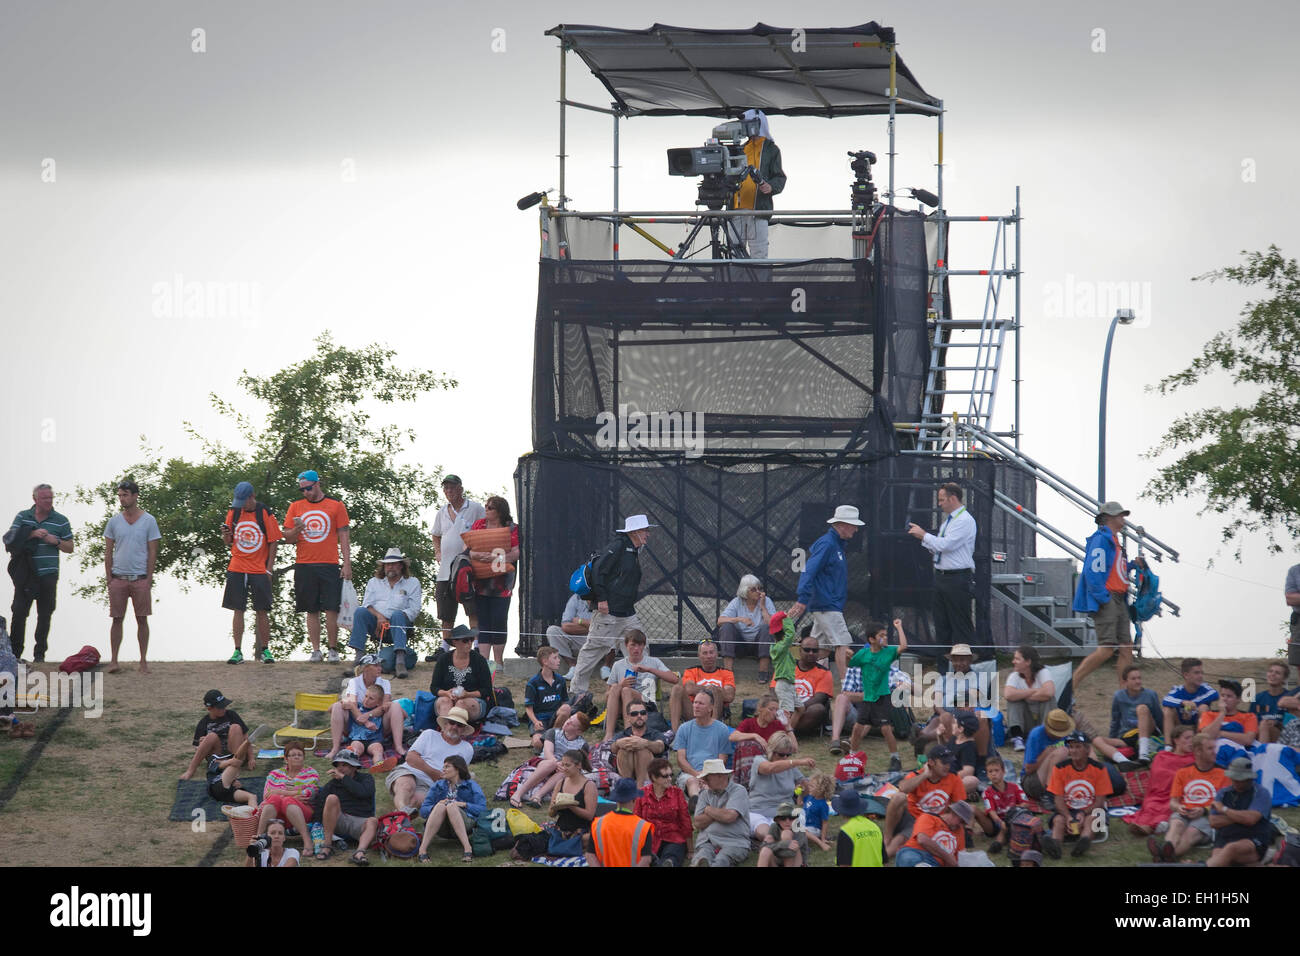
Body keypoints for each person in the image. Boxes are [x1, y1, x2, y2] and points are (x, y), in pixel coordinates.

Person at [572, 514, 655, 695]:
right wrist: (602, 599)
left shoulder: (633, 551)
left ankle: (643, 693)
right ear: (634, 532)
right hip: (609, 611)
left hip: (627, 612)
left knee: (639, 646)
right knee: (594, 650)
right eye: (645, 530)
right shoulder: (618, 546)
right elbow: (599, 571)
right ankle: (577, 692)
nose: (648, 534)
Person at [281, 469, 351, 664]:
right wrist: (296, 529)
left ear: (317, 484)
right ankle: (316, 650)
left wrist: (347, 563)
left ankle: (333, 649)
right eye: (302, 490)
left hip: (329, 563)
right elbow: (287, 537)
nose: (306, 493)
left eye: (309, 488)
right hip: (304, 564)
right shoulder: (295, 506)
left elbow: (344, 536)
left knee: (331, 608)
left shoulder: (336, 505)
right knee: (310, 609)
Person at [790, 504, 863, 683]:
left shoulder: (835, 545)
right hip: (827, 604)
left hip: (828, 604)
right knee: (842, 643)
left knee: (818, 649)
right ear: (842, 525)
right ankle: (847, 686)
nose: (856, 529)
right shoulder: (827, 544)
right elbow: (809, 570)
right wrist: (802, 598)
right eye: (853, 525)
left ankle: (801, 679)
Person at [5, 483, 74, 662]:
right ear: (35, 499)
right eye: (44, 498)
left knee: (45, 614)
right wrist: (31, 534)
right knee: (19, 613)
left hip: (48, 573)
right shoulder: (23, 516)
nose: (48, 501)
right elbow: (10, 538)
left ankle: (39, 655)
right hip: (25, 573)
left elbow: (70, 547)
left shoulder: (61, 520)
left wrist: (55, 541)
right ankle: (15, 654)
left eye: (50, 498)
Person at [1070, 500, 1134, 689]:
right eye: (1120, 515)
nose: (1123, 518)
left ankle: (1124, 693)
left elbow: (1114, 569)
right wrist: (1103, 597)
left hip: (1119, 598)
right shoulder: (1101, 539)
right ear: (1109, 517)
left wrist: (1133, 565)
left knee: (1126, 647)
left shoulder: (1114, 541)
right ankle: (1070, 685)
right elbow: (1092, 571)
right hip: (1108, 598)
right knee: (1106, 648)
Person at [907, 483, 977, 650]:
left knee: (960, 623)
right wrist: (928, 542)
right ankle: (944, 663)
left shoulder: (964, 520)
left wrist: (924, 535)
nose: (939, 504)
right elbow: (940, 547)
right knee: (941, 624)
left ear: (952, 499)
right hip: (941, 576)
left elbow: (947, 545)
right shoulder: (948, 522)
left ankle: (963, 663)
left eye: (941, 500)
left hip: (957, 578)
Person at [103, 479, 160, 674]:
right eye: (119, 495)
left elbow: (153, 551)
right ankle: (114, 661)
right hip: (118, 578)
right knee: (116, 619)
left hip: (140, 578)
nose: (122, 499)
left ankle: (143, 661)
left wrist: (149, 578)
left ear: (135, 496)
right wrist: (109, 578)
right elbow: (108, 551)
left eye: (125, 495)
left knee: (142, 619)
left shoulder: (149, 521)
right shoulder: (114, 522)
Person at [221, 481, 281, 664]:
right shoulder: (234, 512)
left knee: (262, 610)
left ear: (252, 497)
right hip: (237, 567)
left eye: (243, 501)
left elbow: (274, 541)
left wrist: (269, 569)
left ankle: (265, 650)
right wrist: (225, 534)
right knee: (237, 609)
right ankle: (237, 651)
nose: (241, 505)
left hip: (258, 569)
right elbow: (228, 541)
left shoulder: (264, 512)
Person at [1147, 733, 1228, 863]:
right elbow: (1173, 802)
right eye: (1210, 748)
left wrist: (1204, 810)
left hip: (1208, 816)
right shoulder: (1183, 772)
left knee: (1191, 832)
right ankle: (1166, 854)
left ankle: (1164, 857)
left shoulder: (1224, 773)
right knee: (1176, 824)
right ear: (1198, 751)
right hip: (1185, 812)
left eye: (1214, 748)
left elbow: (1225, 804)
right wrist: (1179, 807)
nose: (1214, 752)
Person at [385, 706, 475, 816]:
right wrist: (434, 773)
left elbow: (457, 776)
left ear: (464, 730)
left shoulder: (467, 749)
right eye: (452, 722)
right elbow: (411, 758)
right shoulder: (429, 734)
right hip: (410, 772)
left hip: (431, 785)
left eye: (459, 725)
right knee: (406, 786)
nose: (454, 727)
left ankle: (399, 817)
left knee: (414, 802)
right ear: (445, 724)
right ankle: (402, 812)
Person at [844, 618, 907, 772]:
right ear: (871, 639)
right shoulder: (863, 654)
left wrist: (899, 627)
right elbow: (849, 664)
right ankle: (852, 757)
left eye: (885, 635)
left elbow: (904, 646)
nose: (885, 638)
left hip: (882, 697)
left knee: (885, 729)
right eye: (881, 635)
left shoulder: (888, 652)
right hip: (867, 698)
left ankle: (895, 758)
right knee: (858, 727)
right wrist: (847, 656)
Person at [883, 745, 966, 857]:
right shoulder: (918, 774)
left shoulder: (953, 778)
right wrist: (925, 775)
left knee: (898, 841)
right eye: (944, 763)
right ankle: (887, 837)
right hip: (909, 815)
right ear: (931, 762)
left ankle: (883, 857)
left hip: (926, 822)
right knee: (899, 797)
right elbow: (903, 788)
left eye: (949, 763)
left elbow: (960, 806)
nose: (947, 766)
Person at [349, 549, 422, 677]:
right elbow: (367, 604)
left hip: (400, 625)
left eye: (393, 564)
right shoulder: (373, 582)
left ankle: (400, 662)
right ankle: (358, 658)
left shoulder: (412, 582)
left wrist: (390, 620)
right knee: (360, 611)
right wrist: (380, 617)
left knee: (397, 615)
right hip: (377, 625)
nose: (390, 567)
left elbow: (414, 609)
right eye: (387, 564)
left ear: (401, 565)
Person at [465, 495, 520, 667]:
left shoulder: (511, 528)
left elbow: (516, 552)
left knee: (499, 619)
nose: (486, 510)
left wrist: (497, 558)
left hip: (502, 582)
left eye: (490, 507)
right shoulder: (479, 525)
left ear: (500, 511)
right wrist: (478, 555)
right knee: (483, 620)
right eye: (486, 506)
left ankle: (498, 661)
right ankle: (483, 661)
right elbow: (467, 549)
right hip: (480, 581)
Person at [911, 643, 991, 759]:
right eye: (955, 660)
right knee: (938, 719)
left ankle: (924, 737)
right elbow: (937, 703)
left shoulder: (978, 678)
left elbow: (969, 699)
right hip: (944, 714)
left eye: (962, 660)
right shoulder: (943, 679)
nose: (958, 663)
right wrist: (943, 712)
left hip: (966, 714)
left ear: (970, 660)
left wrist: (949, 709)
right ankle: (922, 736)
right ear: (951, 661)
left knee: (947, 718)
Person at [430, 474, 485, 644]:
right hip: (446, 570)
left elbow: (485, 529)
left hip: (468, 568)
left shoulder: (475, 508)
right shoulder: (441, 512)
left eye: (452, 487)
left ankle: (476, 647)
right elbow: (435, 534)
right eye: (446, 488)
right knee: (446, 614)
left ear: (460, 488)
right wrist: (438, 552)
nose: (449, 491)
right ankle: (445, 649)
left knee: (473, 611)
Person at [726, 108, 786, 259]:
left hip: (758, 210)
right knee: (734, 253)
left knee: (759, 252)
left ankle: (758, 276)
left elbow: (779, 177)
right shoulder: (740, 148)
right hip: (736, 210)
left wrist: (770, 186)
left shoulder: (771, 149)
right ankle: (735, 276)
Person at [1041, 731, 1112, 859]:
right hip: (1068, 810)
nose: (1074, 751)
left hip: (1092, 810)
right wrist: (1068, 816)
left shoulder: (1099, 769)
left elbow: (1100, 802)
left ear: (1087, 749)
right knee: (1059, 820)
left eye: (1078, 747)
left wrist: (1083, 813)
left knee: (1092, 819)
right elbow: (1058, 800)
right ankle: (1055, 846)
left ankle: (1083, 843)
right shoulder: (1060, 768)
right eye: (1071, 747)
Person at [325, 654, 406, 760]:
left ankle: (398, 747)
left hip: (378, 726)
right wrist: (366, 722)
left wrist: (367, 715)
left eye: (380, 665)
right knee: (337, 706)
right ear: (365, 668)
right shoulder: (354, 682)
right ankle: (335, 748)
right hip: (356, 724)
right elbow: (352, 705)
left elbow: (384, 707)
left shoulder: (385, 683)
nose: (380, 668)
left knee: (394, 706)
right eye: (376, 665)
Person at [603, 628, 678, 740]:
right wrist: (621, 685)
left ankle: (629, 733)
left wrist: (649, 670)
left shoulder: (653, 661)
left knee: (626, 691)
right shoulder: (618, 665)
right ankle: (609, 734)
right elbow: (607, 696)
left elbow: (674, 679)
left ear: (644, 646)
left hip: (646, 703)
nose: (636, 649)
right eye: (633, 645)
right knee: (616, 687)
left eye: (640, 645)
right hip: (621, 705)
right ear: (626, 645)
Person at [1127, 724, 1197, 836]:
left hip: (1177, 793)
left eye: (1193, 738)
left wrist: (1174, 777)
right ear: (1176, 740)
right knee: (1150, 806)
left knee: (1168, 808)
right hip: (1159, 791)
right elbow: (1156, 774)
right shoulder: (1162, 756)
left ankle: (1150, 828)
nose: (1191, 742)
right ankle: (1145, 825)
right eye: (1187, 738)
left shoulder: (1194, 758)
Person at [747, 730, 815, 843]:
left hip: (784, 814)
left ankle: (779, 845)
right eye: (781, 754)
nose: (785, 758)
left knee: (785, 834)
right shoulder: (759, 761)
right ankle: (781, 844)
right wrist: (797, 762)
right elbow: (770, 768)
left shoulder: (790, 766)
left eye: (788, 755)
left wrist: (803, 790)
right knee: (765, 832)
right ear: (771, 751)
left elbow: (805, 786)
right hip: (758, 812)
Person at [312, 750, 379, 864]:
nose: (340, 768)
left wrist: (344, 778)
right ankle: (327, 846)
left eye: (344, 765)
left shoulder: (366, 778)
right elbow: (320, 804)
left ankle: (359, 852)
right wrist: (316, 825)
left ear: (354, 767)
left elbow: (363, 792)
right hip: (339, 820)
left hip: (361, 821)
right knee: (331, 798)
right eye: (338, 765)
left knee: (373, 821)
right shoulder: (333, 783)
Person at [417, 754, 486, 864]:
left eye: (447, 766)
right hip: (441, 827)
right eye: (443, 767)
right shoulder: (437, 785)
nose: (443, 769)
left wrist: (464, 804)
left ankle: (467, 848)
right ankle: (422, 849)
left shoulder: (471, 785)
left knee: (451, 806)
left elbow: (482, 809)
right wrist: (435, 806)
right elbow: (423, 811)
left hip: (465, 825)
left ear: (457, 769)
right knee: (440, 806)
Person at [513, 712, 590, 808]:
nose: (567, 722)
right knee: (551, 763)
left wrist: (563, 766)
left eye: (572, 724)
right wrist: (557, 763)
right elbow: (548, 752)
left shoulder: (582, 745)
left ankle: (537, 796)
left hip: (562, 769)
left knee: (565, 771)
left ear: (578, 731)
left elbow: (576, 763)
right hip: (544, 762)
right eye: (569, 718)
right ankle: (518, 794)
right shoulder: (553, 732)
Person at [1208, 756, 1273, 867]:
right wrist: (1241, 817)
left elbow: (1250, 819)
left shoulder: (1261, 793)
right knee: (1221, 858)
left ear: (1249, 779)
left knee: (1231, 849)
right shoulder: (1223, 793)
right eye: (1234, 779)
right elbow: (1213, 822)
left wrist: (1224, 809)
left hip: (1253, 838)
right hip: (1225, 837)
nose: (1236, 782)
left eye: (1239, 780)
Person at [257, 739, 320, 852]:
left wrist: (281, 792)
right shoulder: (274, 774)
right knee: (275, 799)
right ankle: (259, 838)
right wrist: (294, 795)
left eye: (300, 755)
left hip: (302, 813)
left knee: (286, 801)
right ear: (286, 759)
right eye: (293, 755)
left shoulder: (311, 773)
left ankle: (307, 840)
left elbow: (308, 794)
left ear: (303, 758)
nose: (297, 757)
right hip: (277, 814)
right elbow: (267, 796)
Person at [1093, 664, 1160, 768]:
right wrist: (1112, 738)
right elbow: (1115, 720)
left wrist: (1166, 738)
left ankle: (1143, 755)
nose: (1138, 681)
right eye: (1133, 679)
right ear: (1125, 682)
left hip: (1148, 731)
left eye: (1139, 678)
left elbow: (1159, 717)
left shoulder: (1150, 694)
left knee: (1142, 708)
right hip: (1128, 736)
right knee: (1096, 739)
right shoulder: (1119, 696)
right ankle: (1124, 761)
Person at [673, 689, 734, 799]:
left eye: (701, 703)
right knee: (692, 782)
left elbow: (722, 760)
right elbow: (681, 760)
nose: (696, 706)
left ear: (710, 708)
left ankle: (703, 803)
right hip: (690, 774)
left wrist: (707, 775)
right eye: (695, 702)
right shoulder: (684, 728)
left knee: (709, 786)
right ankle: (696, 802)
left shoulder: (722, 729)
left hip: (715, 773)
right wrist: (697, 774)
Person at [429, 625, 496, 722]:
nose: (469, 643)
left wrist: (467, 694)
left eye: (471, 639)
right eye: (465, 640)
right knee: (445, 701)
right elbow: (434, 687)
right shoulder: (443, 659)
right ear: (454, 642)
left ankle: (453, 728)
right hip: (447, 698)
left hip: (473, 700)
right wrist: (446, 693)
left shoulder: (479, 660)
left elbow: (487, 690)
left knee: (461, 704)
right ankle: (447, 728)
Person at [691, 759, 751, 867]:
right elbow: (698, 823)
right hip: (708, 840)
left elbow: (729, 817)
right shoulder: (704, 794)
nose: (704, 781)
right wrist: (721, 811)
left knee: (721, 861)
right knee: (702, 857)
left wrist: (708, 809)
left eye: (707, 778)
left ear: (720, 776)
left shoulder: (739, 791)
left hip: (734, 842)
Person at [182, 689, 252, 780]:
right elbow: (198, 749)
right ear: (209, 708)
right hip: (218, 759)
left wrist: (251, 758)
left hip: (236, 755)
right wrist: (202, 743)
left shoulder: (231, 715)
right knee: (211, 736)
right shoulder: (203, 723)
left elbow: (246, 737)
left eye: (224, 706)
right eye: (220, 707)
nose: (223, 709)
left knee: (235, 727)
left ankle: (234, 768)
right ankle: (191, 770)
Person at [716, 574, 776, 679]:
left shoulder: (766, 601)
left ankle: (763, 672)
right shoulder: (737, 602)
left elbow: (773, 624)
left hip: (759, 646)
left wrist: (763, 607)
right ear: (745, 591)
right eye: (754, 589)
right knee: (726, 627)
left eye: (760, 588)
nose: (758, 592)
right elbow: (720, 621)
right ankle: (728, 672)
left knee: (767, 628)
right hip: (740, 646)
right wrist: (739, 619)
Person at [635, 757, 692, 866]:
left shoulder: (677, 793)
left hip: (673, 837)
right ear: (653, 777)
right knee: (646, 858)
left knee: (672, 856)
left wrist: (690, 850)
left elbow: (685, 821)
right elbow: (636, 821)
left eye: (671, 775)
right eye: (665, 776)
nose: (670, 779)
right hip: (649, 839)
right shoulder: (642, 793)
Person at [586, 777, 654, 867]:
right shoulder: (643, 827)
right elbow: (646, 859)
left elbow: (590, 855)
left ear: (616, 799)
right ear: (634, 799)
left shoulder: (598, 824)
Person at [669, 639, 734, 731]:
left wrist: (715, 690)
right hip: (693, 711)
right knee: (677, 689)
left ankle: (711, 731)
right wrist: (710, 690)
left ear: (716, 654)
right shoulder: (691, 671)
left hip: (715, 712)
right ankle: (675, 733)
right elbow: (689, 689)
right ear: (699, 656)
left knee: (714, 690)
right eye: (705, 653)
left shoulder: (726, 673)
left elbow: (729, 696)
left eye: (711, 652)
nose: (709, 656)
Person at [1003, 644, 1055, 748]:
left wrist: (1021, 694)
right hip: (1026, 721)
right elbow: (1008, 695)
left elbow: (1049, 692)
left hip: (1042, 719)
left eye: (1017, 659)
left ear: (1028, 662)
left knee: (1049, 700)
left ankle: (1045, 736)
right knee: (1013, 701)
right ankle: (1018, 738)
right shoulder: (1014, 676)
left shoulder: (1043, 673)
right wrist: (1035, 691)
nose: (1013, 661)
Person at [523, 645, 572, 748]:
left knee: (566, 708)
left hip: (556, 717)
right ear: (545, 661)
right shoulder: (533, 683)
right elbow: (528, 708)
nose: (558, 660)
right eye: (555, 658)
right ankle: (550, 741)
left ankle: (553, 737)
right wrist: (535, 722)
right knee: (537, 743)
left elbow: (564, 702)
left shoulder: (560, 680)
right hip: (540, 719)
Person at [1021, 707, 1075, 800]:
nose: (1060, 736)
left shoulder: (1065, 733)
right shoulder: (1036, 735)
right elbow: (1028, 769)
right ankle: (1049, 795)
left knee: (1084, 749)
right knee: (1062, 752)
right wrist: (1046, 753)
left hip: (1056, 778)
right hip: (1032, 781)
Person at [897, 801, 971, 868]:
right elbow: (923, 840)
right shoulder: (928, 817)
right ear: (953, 813)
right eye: (961, 821)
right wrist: (947, 857)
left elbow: (960, 857)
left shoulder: (960, 831)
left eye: (964, 823)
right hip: (915, 852)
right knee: (908, 859)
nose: (961, 825)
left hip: (935, 863)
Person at [611, 700, 667, 787]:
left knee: (642, 751)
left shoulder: (655, 734)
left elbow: (660, 746)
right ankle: (628, 787)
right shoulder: (622, 735)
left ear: (646, 716)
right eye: (634, 714)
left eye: (643, 713)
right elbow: (612, 748)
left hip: (649, 776)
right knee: (624, 750)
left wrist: (646, 743)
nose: (639, 716)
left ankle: (641, 788)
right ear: (628, 717)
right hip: (626, 774)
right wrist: (618, 743)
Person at [1162, 658, 1220, 743]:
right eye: (1196, 673)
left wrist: (1190, 706)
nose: (1200, 676)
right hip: (1180, 726)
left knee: (1203, 707)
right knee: (1167, 710)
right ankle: (1168, 746)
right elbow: (1165, 700)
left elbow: (1215, 694)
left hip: (1197, 727)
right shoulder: (1178, 690)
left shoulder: (1205, 687)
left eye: (1201, 673)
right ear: (1186, 675)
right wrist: (1183, 703)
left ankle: (1200, 743)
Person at [790, 630, 834, 736]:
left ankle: (788, 730)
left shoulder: (825, 673)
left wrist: (797, 709)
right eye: (807, 650)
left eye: (814, 650)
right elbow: (774, 689)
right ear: (800, 651)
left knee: (818, 709)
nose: (811, 653)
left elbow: (819, 698)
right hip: (785, 707)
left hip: (805, 710)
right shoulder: (787, 667)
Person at [982, 755, 1027, 854]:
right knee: (1004, 826)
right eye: (990, 771)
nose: (993, 774)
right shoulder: (987, 792)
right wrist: (1000, 822)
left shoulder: (1015, 787)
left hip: (1015, 818)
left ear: (1003, 772)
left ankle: (1000, 843)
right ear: (987, 775)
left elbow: (1025, 804)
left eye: (996, 770)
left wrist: (1015, 810)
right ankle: (999, 844)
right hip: (998, 822)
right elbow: (992, 812)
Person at [549, 748, 598, 837]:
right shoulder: (560, 783)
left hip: (582, 831)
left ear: (578, 765)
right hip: (561, 830)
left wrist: (570, 806)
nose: (564, 768)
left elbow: (590, 815)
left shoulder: (589, 786)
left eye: (567, 765)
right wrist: (555, 807)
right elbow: (551, 814)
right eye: (563, 765)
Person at [546, 591, 595, 673]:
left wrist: (580, 621)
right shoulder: (576, 598)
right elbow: (566, 626)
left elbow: (606, 627)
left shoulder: (605, 598)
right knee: (552, 631)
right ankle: (573, 666)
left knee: (613, 632)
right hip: (579, 640)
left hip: (599, 641)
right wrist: (593, 626)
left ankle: (607, 668)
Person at [1199, 680, 1259, 747]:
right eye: (1222, 695)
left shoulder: (1249, 716)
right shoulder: (1208, 715)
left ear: (1238, 699)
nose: (1224, 699)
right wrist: (1222, 713)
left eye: (1229, 696)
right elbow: (1205, 736)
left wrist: (1221, 733)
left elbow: (1248, 739)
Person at [833, 788, 883, 867]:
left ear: (840, 811)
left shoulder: (846, 831)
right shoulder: (875, 827)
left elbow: (844, 864)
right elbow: (884, 860)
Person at [342, 684, 389, 767]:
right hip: (357, 738)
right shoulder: (357, 707)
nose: (366, 700)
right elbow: (343, 703)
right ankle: (351, 763)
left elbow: (391, 705)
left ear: (379, 702)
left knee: (378, 750)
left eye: (371, 698)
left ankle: (379, 764)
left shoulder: (380, 711)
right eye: (366, 696)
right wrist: (350, 704)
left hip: (374, 739)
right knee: (356, 748)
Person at [1253, 662, 1298, 743]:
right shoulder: (1258, 698)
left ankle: (1262, 750)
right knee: (1263, 725)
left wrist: (1276, 723)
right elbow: (1252, 720)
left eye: (1277, 673)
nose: (1272, 674)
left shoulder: (1289, 699)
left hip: (1282, 735)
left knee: (1265, 726)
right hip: (1259, 733)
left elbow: (1292, 723)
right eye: (1270, 671)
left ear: (1284, 678)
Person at [767, 611, 798, 722]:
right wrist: (787, 619)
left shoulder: (781, 647)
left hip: (789, 683)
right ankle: (783, 730)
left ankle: (790, 728)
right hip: (783, 684)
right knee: (786, 714)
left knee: (800, 709)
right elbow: (790, 635)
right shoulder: (780, 647)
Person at [756, 802, 808, 868]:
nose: (787, 821)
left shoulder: (799, 828)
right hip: (778, 859)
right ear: (778, 820)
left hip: (796, 861)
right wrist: (783, 844)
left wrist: (774, 846)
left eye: (791, 818)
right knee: (765, 851)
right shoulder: (774, 826)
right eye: (783, 818)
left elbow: (791, 851)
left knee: (786, 834)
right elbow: (762, 848)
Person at [802, 772, 836, 852]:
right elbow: (799, 803)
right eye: (809, 785)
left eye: (812, 786)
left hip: (814, 828)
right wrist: (800, 794)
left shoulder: (823, 805)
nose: (809, 787)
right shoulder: (810, 797)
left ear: (821, 789)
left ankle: (821, 843)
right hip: (804, 824)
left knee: (800, 831)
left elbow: (825, 823)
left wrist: (823, 838)